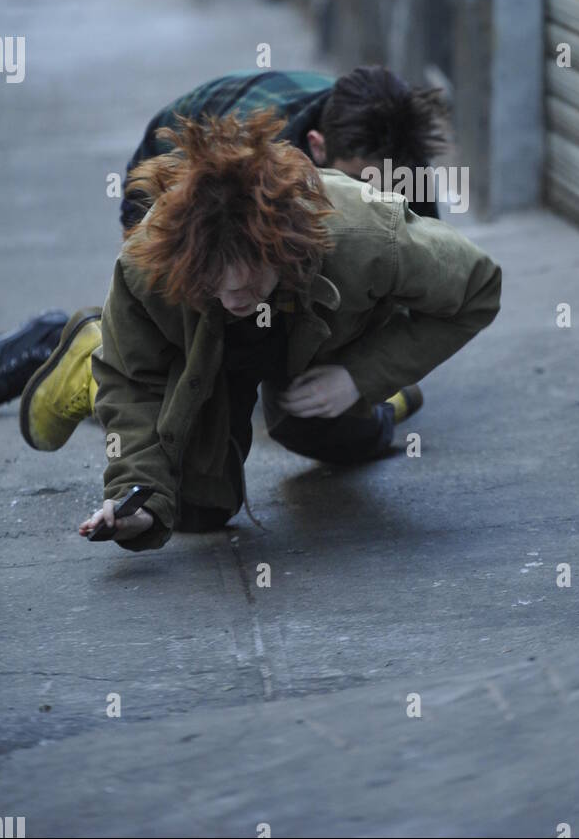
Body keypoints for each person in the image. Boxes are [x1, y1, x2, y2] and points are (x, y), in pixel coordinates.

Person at [71, 108, 500, 549]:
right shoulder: (148, 265)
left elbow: (478, 287)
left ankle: (390, 401)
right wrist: (132, 495)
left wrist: (360, 377)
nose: (234, 299)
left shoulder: (364, 231)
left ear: (282, 246)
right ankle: (90, 345)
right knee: (195, 509)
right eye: (211, 285)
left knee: (314, 428)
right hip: (210, 353)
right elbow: (131, 381)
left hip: (321, 345)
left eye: (248, 282)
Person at [0, 64, 448, 417]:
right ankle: (72, 348)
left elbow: (417, 287)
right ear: (317, 145)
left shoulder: (399, 163)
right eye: (357, 183)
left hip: (248, 173)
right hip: (165, 187)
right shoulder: (259, 165)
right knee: (198, 362)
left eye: (383, 188)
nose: (368, 198)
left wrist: (367, 369)